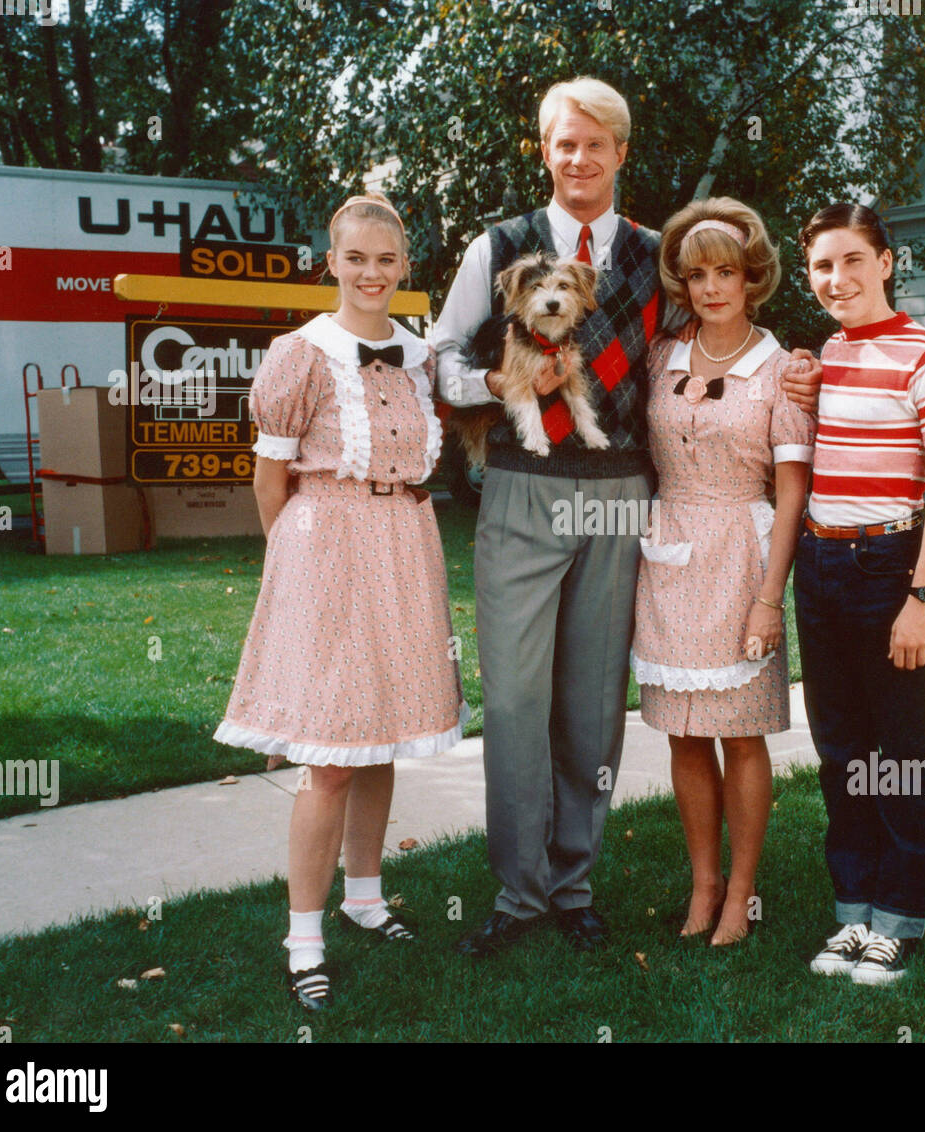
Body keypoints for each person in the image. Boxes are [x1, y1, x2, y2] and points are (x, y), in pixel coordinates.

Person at [434, 77, 681, 956]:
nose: (579, 159)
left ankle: (573, 884)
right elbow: (440, 356)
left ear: (620, 153)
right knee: (513, 699)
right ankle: (519, 892)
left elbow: (701, 345)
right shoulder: (498, 245)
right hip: (522, 487)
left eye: (595, 144)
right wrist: (497, 382)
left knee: (591, 702)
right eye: (563, 144)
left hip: (617, 490)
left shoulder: (657, 252)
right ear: (546, 151)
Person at [214, 192, 470, 1009]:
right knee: (328, 757)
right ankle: (303, 939)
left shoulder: (420, 356)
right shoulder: (299, 354)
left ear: (404, 266)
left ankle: (364, 897)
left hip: (405, 543)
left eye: (386, 259)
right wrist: (293, 566)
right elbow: (270, 480)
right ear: (331, 263)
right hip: (325, 546)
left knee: (380, 737)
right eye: (355, 258)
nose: (371, 273)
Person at [786, 203, 925, 985]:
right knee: (841, 750)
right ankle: (853, 911)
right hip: (819, 564)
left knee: (901, 751)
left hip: (889, 569)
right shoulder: (829, 352)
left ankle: (899, 917)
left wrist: (923, 596)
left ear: (886, 263)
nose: (837, 278)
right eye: (822, 266)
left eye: (852, 260)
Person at [631, 199, 815, 946]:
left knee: (740, 734)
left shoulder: (781, 371)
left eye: (726, 273)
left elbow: (793, 490)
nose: (711, 288)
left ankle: (742, 891)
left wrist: (770, 598)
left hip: (742, 556)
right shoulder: (661, 358)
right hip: (667, 555)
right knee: (683, 733)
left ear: (752, 278)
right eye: (697, 274)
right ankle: (703, 883)